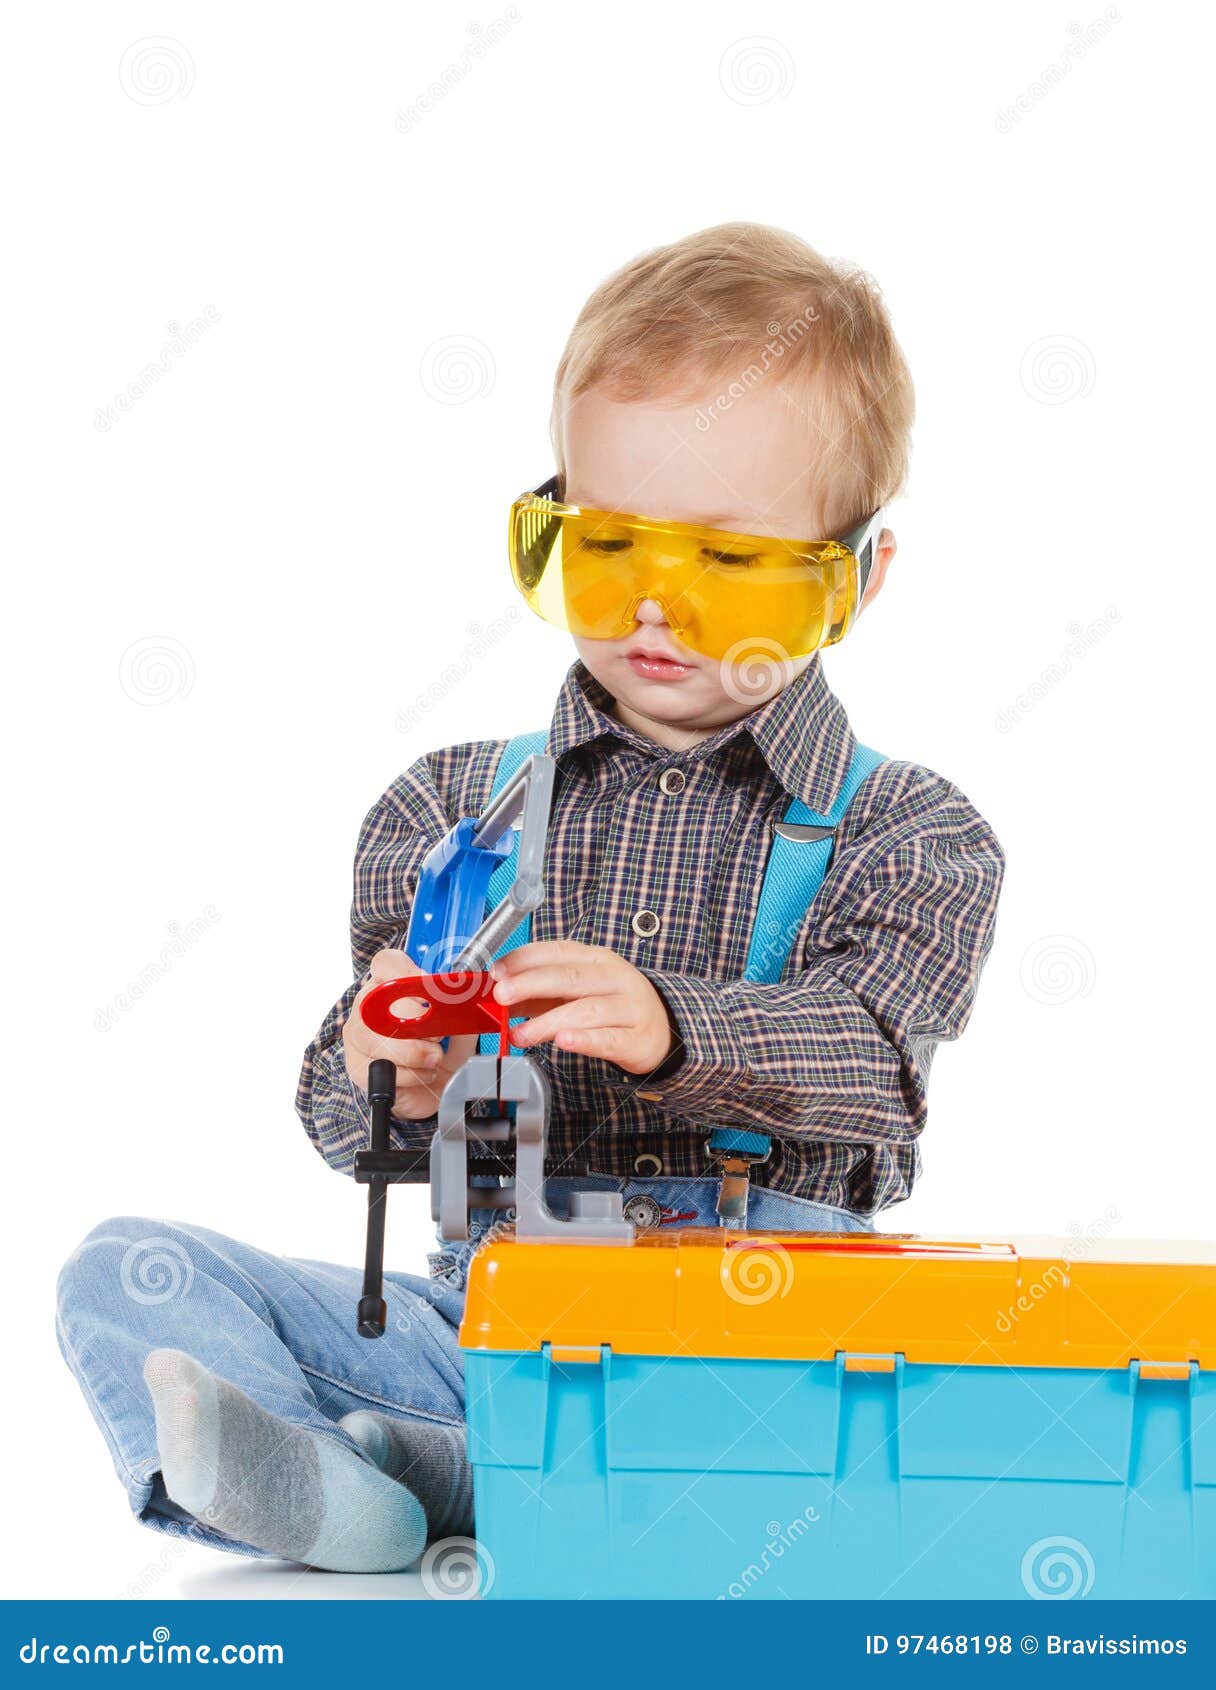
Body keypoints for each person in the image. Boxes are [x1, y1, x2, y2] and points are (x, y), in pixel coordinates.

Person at [58, 224, 1004, 1573]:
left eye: (726, 564)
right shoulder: (450, 807)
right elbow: (356, 1134)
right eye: (611, 549)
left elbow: (876, 1068)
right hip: (492, 1331)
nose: (657, 614)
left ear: (855, 577)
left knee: (813, 1428)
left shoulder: (912, 829)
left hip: (758, 1349)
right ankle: (362, 1480)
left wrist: (678, 1030)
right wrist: (391, 1064)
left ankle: (425, 1480)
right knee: (124, 1269)